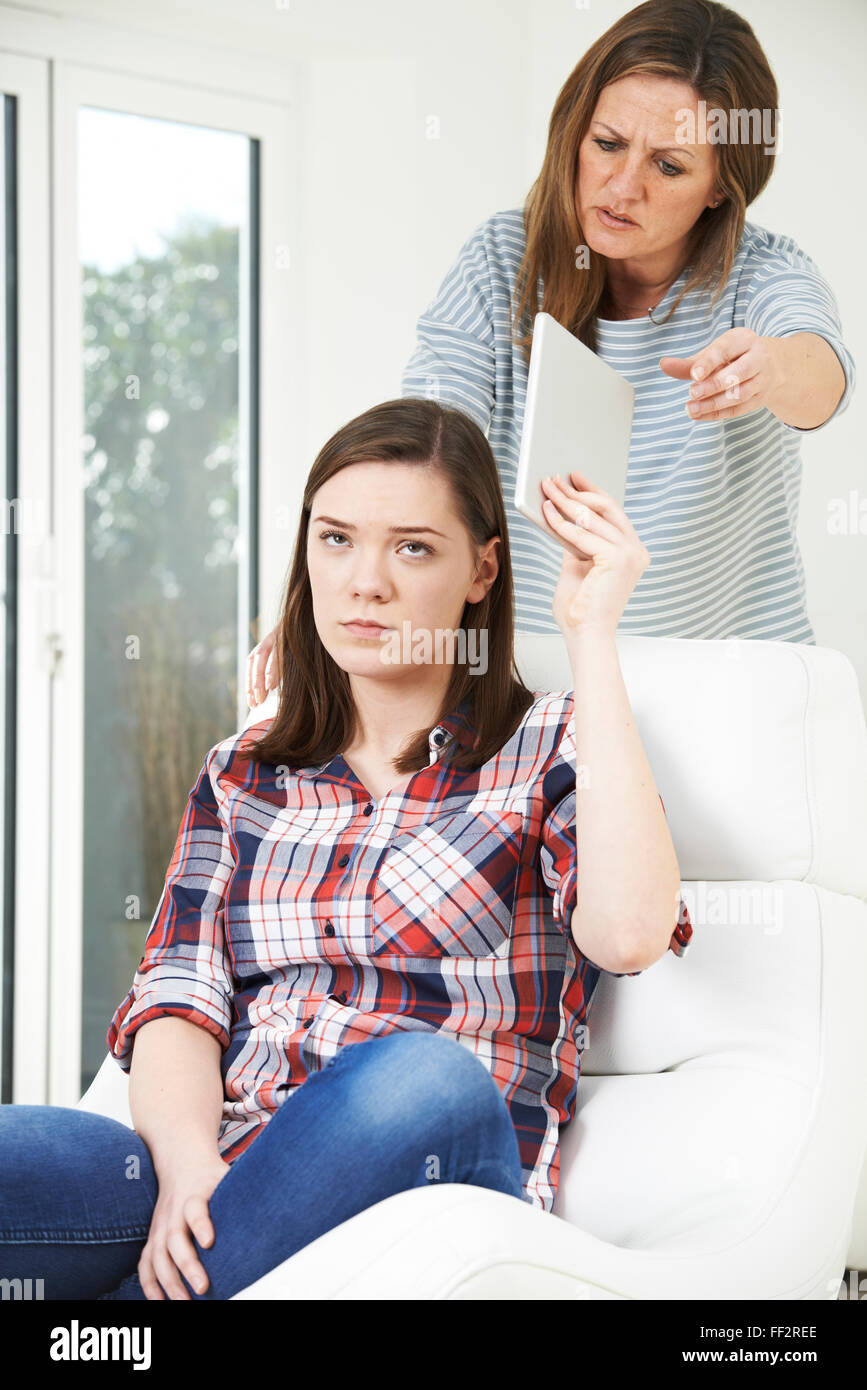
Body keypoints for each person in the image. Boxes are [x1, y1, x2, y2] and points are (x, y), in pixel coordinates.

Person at [0, 397, 692, 1300]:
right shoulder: (245, 771)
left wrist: (590, 631)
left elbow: (630, 932)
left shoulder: (555, 747)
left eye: (412, 547)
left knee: (421, 1075)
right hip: (223, 1169)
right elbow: (177, 998)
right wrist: (186, 1171)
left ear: (482, 569)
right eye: (335, 540)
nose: (365, 581)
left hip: (418, 1172)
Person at [246, 0, 856, 706]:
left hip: (731, 683)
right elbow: (424, 444)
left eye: (668, 165)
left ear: (722, 184)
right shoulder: (502, 261)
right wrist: (315, 607)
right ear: (573, 132)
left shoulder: (762, 274)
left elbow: (822, 374)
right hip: (538, 676)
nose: (624, 187)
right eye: (606, 144)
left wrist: (772, 368)